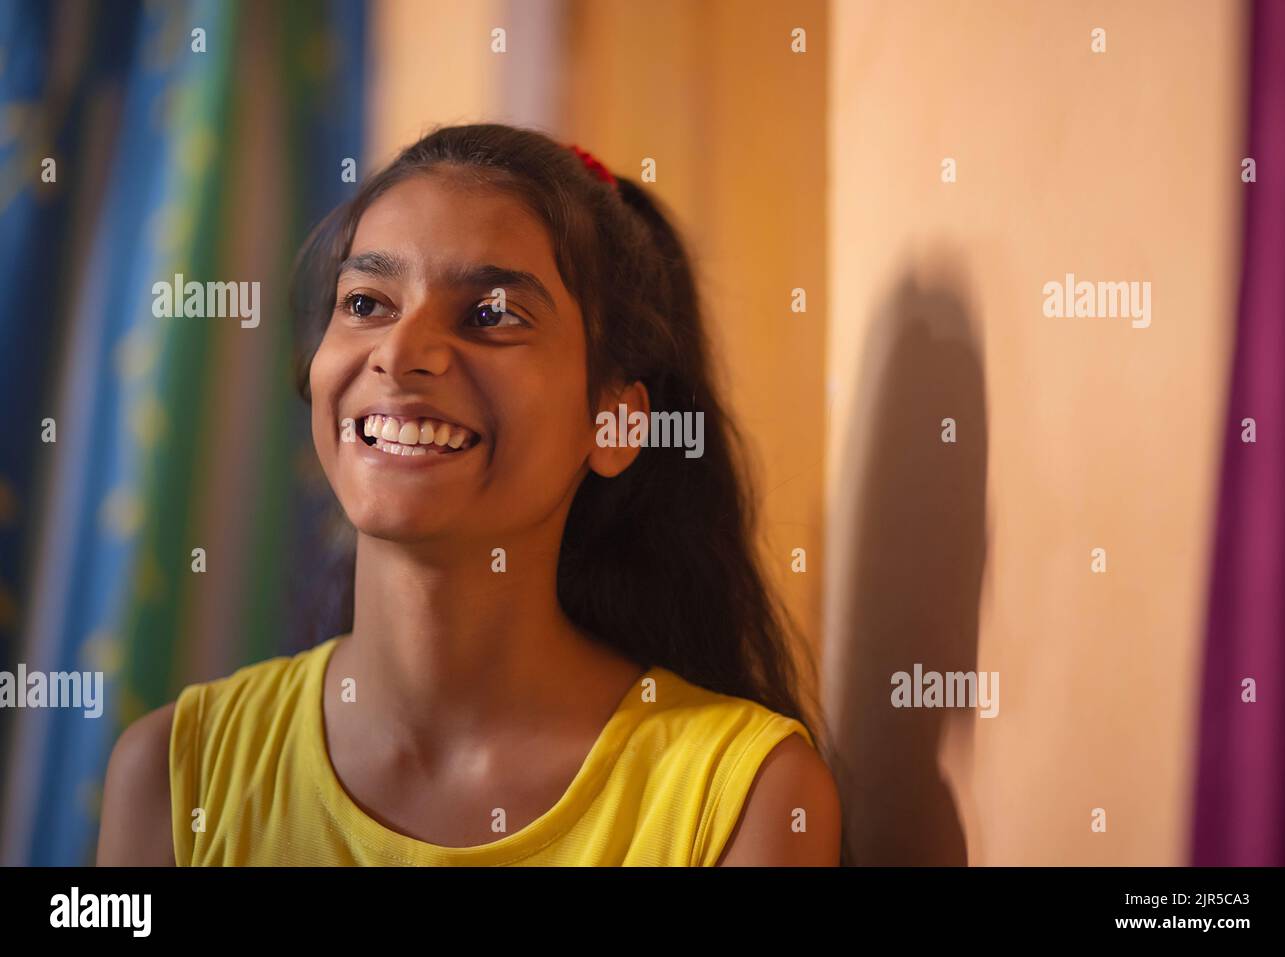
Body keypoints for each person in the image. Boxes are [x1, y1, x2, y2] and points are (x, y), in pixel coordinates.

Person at [97, 123, 842, 866]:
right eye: (365, 302)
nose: (400, 351)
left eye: (491, 315)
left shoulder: (745, 797)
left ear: (614, 422)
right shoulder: (171, 775)